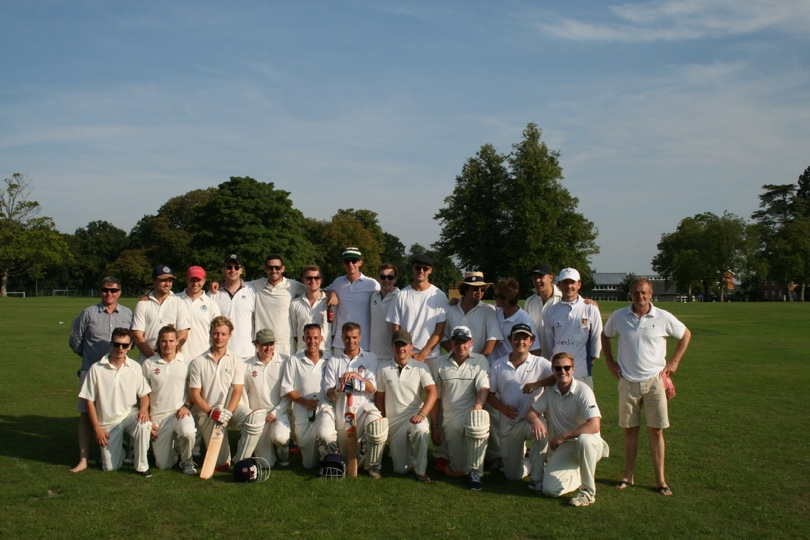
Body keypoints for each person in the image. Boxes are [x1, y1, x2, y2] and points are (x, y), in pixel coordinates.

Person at [601, 277, 691, 496]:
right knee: (630, 431)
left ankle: (660, 480)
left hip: (655, 382)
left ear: (651, 294)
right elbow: (605, 335)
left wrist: (674, 362)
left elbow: (685, 334)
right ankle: (628, 475)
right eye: (635, 292)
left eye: (644, 293)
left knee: (656, 431)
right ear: (630, 294)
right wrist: (611, 363)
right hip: (628, 382)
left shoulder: (662, 317)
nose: (640, 296)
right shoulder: (619, 316)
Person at [526, 352, 610, 507]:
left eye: (566, 367)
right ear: (553, 370)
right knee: (550, 490)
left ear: (573, 369)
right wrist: (537, 421)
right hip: (566, 446)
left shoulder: (583, 391)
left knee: (584, 439)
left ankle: (587, 493)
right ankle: (580, 472)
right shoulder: (550, 391)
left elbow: (594, 425)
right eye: (558, 368)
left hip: (589, 443)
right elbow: (531, 412)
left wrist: (563, 436)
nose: (562, 371)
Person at [68, 276, 133, 473]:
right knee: (86, 415)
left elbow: (133, 340)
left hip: (119, 372)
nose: (109, 294)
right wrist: (90, 358)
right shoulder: (88, 314)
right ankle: (84, 458)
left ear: (119, 292)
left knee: (124, 410)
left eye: (113, 290)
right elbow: (75, 342)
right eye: (105, 290)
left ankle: (127, 450)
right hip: (91, 371)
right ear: (100, 291)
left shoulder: (128, 314)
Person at [78, 328, 153, 476]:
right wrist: (97, 429)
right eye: (117, 344)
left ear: (130, 346)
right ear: (111, 344)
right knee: (111, 467)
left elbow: (144, 394)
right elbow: (89, 401)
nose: (120, 348)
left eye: (124, 345)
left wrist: (144, 410)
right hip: (108, 422)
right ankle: (121, 448)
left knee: (145, 425)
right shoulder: (96, 369)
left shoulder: (135, 367)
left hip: (129, 415)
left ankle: (142, 466)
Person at [487, 324, 552, 485]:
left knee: (541, 432)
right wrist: (502, 408)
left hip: (532, 420)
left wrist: (537, 384)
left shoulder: (541, 363)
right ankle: (529, 463)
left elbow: (557, 377)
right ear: (510, 340)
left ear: (531, 342)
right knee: (512, 476)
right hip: (509, 424)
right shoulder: (498, 364)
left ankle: (537, 477)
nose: (520, 341)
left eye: (525, 338)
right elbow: (489, 394)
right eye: (517, 338)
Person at [322, 322, 387, 479]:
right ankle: (358, 452)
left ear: (360, 338)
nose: (351, 341)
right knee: (347, 456)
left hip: (364, 408)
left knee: (378, 425)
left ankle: (373, 466)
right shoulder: (334, 361)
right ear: (342, 338)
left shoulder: (370, 357)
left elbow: (372, 389)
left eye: (354, 337)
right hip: (343, 412)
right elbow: (328, 394)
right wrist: (339, 386)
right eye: (347, 338)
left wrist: (358, 378)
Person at [430, 326, 490, 490]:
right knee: (458, 468)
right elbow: (435, 398)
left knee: (479, 421)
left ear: (471, 342)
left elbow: (484, 388)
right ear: (451, 343)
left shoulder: (480, 361)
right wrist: (434, 426)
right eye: (457, 342)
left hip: (472, 415)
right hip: (451, 419)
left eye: (464, 342)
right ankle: (458, 465)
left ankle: (476, 474)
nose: (461, 346)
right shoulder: (439, 363)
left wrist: (477, 408)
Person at [375, 330, 437, 483]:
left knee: (420, 429)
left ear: (411, 346)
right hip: (394, 422)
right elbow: (379, 397)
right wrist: (383, 419)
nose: (400, 348)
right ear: (392, 346)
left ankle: (420, 470)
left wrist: (422, 414)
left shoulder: (420, 368)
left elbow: (432, 392)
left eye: (404, 345)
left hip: (414, 416)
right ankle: (410, 458)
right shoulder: (383, 368)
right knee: (400, 470)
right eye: (397, 345)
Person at [188, 316, 245, 470]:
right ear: (210, 334)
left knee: (253, 419)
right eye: (215, 333)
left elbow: (237, 391)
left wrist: (228, 412)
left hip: (230, 409)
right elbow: (195, 394)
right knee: (222, 464)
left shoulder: (236, 361)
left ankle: (241, 460)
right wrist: (210, 411)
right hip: (207, 412)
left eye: (223, 334)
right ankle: (225, 459)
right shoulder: (198, 362)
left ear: (230, 336)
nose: (219, 337)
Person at [233, 328, 291, 468]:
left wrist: (276, 412)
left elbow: (289, 392)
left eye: (271, 344)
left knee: (281, 438)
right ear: (256, 344)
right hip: (258, 417)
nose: (268, 348)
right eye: (264, 344)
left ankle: (284, 457)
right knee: (265, 464)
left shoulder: (285, 361)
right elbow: (243, 394)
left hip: (279, 413)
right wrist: (251, 415)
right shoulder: (246, 365)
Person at [142, 326, 197, 474]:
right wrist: (148, 420)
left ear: (177, 341)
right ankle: (176, 452)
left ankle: (187, 461)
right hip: (158, 417)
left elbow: (195, 390)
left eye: (171, 341)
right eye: (164, 341)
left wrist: (187, 405)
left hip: (179, 413)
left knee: (188, 432)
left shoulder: (187, 362)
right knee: (163, 465)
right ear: (159, 342)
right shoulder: (149, 364)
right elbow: (143, 394)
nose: (168, 345)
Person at [280, 323, 331, 469]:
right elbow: (286, 388)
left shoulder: (330, 359)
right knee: (309, 465)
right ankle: (319, 451)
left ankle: (331, 454)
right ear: (303, 338)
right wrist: (304, 402)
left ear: (321, 339)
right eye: (308, 338)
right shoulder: (294, 360)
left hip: (325, 412)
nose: (312, 341)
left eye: (315, 338)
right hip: (303, 416)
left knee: (326, 435)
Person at [542, 268, 602, 389]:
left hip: (582, 373)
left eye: (572, 282)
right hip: (558, 373)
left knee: (584, 407)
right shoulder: (551, 312)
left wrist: (587, 363)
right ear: (559, 285)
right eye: (565, 282)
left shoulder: (590, 309)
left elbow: (597, 340)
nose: (569, 286)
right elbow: (549, 343)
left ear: (579, 284)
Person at [385, 254, 448, 363]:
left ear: (430, 270)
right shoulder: (401, 295)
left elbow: (439, 330)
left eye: (425, 268)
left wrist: (423, 355)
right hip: (406, 356)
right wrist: (408, 352)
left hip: (432, 357)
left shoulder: (439, 296)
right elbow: (396, 329)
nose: (421, 271)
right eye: (418, 267)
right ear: (413, 269)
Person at [324, 247, 380, 353]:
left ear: (360, 262)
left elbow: (386, 296)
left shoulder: (371, 284)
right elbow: (319, 291)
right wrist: (331, 293)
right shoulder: (338, 282)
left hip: (364, 342)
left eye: (354, 261)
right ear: (343, 264)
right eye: (347, 261)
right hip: (341, 343)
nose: (350, 264)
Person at [249, 253, 306, 357]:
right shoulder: (256, 285)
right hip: (262, 342)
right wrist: (219, 282)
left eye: (277, 267)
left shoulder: (293, 285)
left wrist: (332, 294)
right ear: (265, 269)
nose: (274, 270)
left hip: (285, 343)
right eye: (270, 267)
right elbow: (236, 282)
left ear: (283, 268)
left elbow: (315, 291)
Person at [131, 265, 191, 361]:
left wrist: (168, 356)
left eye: (170, 281)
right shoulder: (142, 304)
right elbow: (138, 336)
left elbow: (183, 334)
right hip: (147, 360)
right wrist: (154, 359)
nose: (167, 284)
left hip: (172, 360)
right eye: (163, 280)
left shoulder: (179, 303)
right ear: (154, 280)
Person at [440, 272, 502, 357]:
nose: (479, 292)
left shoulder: (489, 310)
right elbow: (443, 338)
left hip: (480, 366)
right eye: (476, 288)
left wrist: (478, 361)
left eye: (482, 289)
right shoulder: (451, 310)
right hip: (456, 365)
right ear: (465, 289)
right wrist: (456, 355)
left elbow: (493, 339)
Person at [208, 254, 256, 359]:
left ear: (241, 270)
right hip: (220, 354)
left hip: (246, 354)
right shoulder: (213, 294)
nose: (233, 270)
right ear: (224, 269)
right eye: (229, 267)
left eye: (236, 267)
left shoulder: (252, 291)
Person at [177, 266, 221, 361]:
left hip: (203, 358)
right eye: (192, 280)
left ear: (204, 280)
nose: (195, 283)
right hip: (176, 358)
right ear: (186, 279)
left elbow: (217, 333)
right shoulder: (174, 299)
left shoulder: (212, 305)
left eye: (199, 280)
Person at [491, 278, 539, 360]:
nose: (493, 298)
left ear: (506, 299)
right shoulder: (496, 311)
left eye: (496, 296)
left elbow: (536, 350)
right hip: (496, 368)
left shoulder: (525, 321)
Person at [290, 265, 330, 354]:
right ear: (303, 280)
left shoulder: (330, 304)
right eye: (309, 278)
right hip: (301, 354)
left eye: (316, 278)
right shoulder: (295, 304)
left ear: (321, 280)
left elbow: (334, 332)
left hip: (325, 354)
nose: (313, 281)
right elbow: (295, 333)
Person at [368, 263, 400, 361]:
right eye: (383, 277)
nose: (386, 280)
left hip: (392, 355)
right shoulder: (373, 296)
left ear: (395, 279)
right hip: (372, 355)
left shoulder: (400, 297)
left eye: (390, 277)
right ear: (378, 278)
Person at [524, 263, 562, 335]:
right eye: (534, 277)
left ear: (550, 278)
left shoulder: (562, 299)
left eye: (541, 276)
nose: (537, 280)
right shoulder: (529, 302)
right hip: (536, 346)